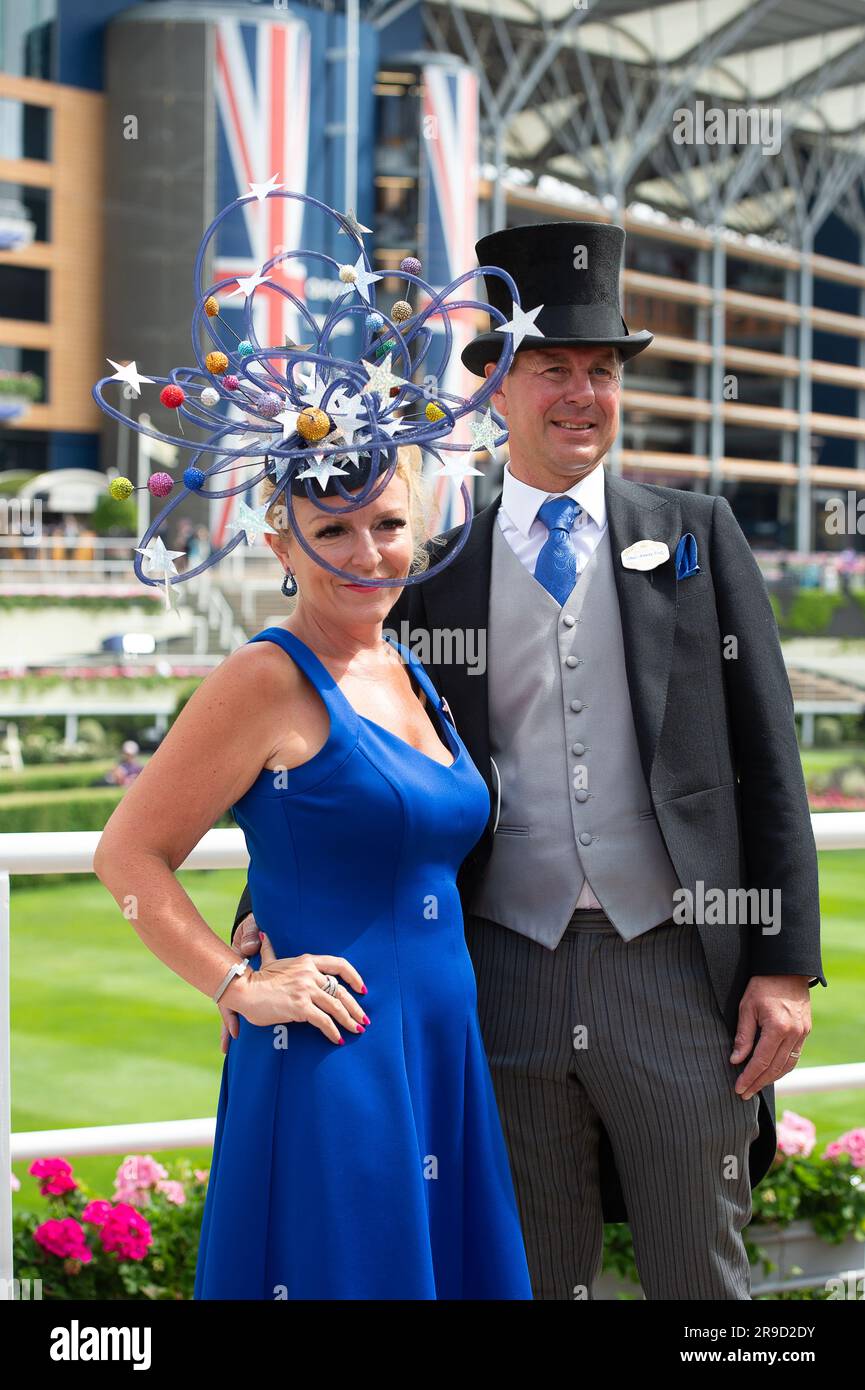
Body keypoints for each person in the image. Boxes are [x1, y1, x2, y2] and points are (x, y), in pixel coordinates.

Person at [231, 221, 826, 1300]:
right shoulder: (432, 571)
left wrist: (783, 964)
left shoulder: (697, 534)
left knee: (705, 1281)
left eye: (600, 371)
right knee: (525, 1276)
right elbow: (357, 756)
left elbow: (768, 762)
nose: (581, 394)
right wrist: (255, 909)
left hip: (675, 976)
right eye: (552, 367)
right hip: (495, 970)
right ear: (495, 386)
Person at [93, 441, 533, 1300]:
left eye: (388, 524)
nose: (368, 554)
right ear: (281, 547)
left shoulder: (404, 667)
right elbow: (126, 855)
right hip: (337, 1059)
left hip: (441, 1053)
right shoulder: (264, 677)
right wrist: (234, 982)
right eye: (333, 529)